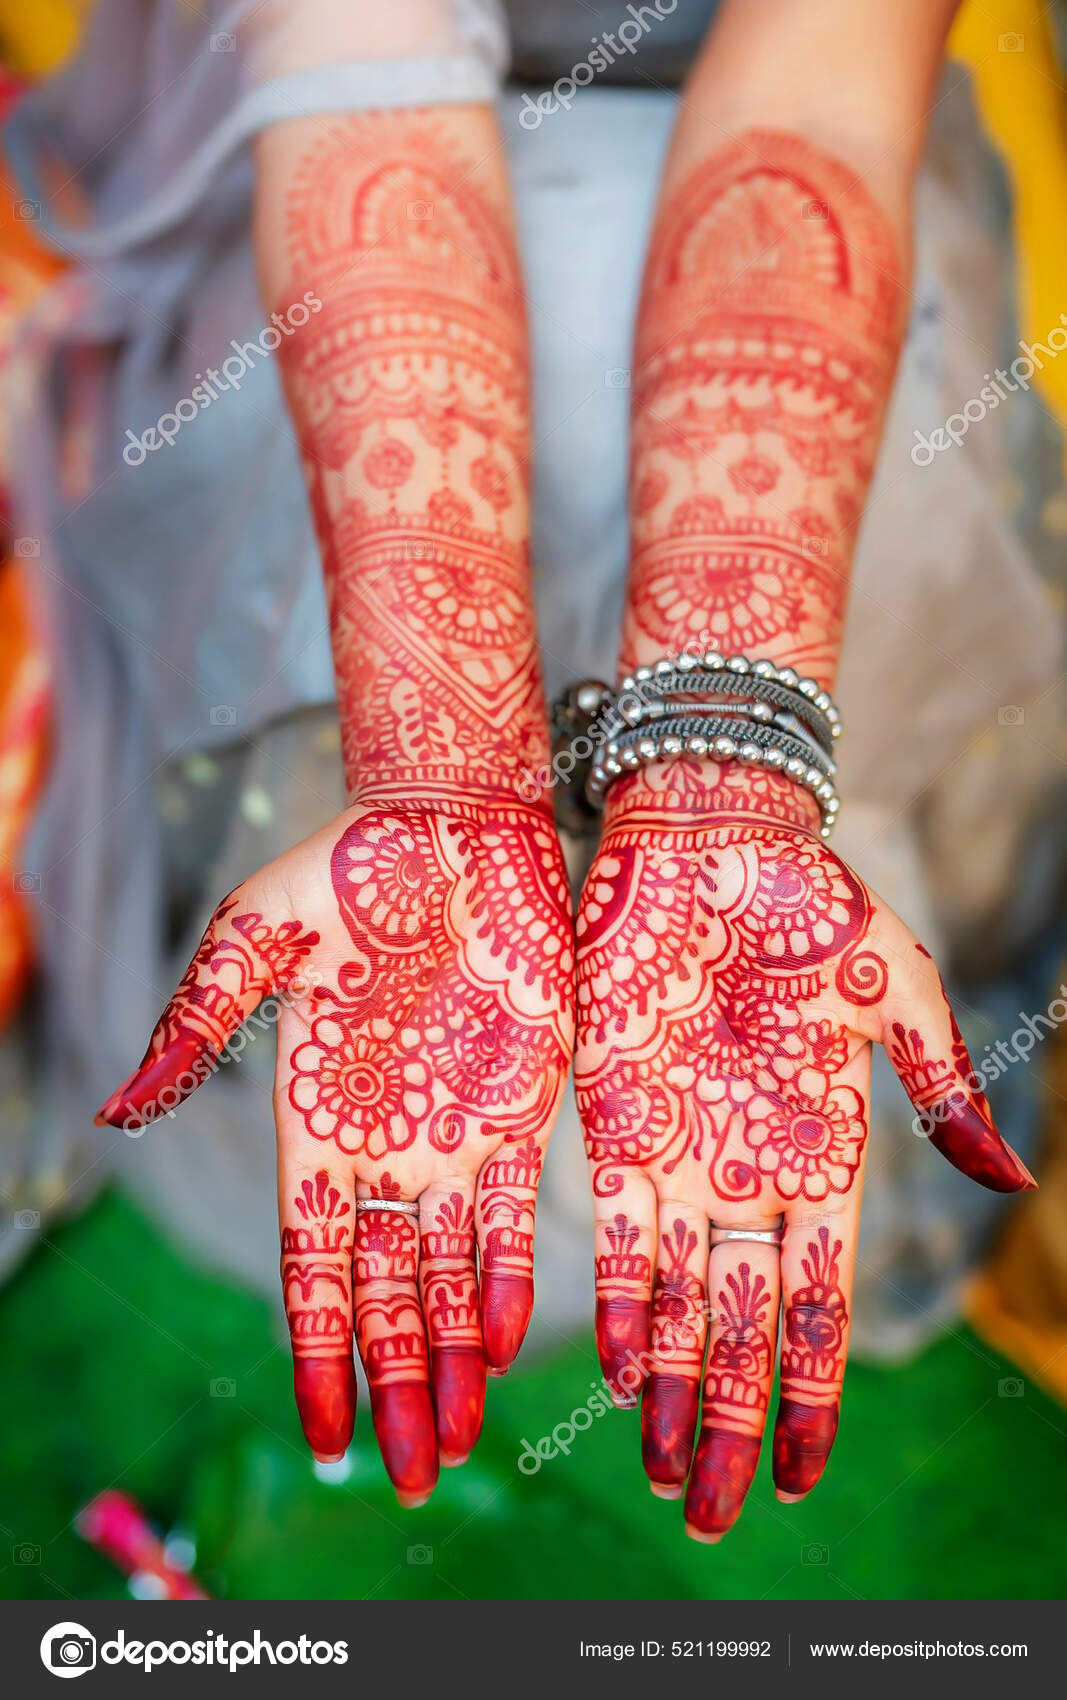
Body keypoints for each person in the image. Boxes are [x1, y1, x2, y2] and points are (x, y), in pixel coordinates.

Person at [40, 0, 1040, 1543]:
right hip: (324, 154)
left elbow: (820, 107)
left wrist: (725, 786)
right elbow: (360, 80)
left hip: (817, 220)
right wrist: (443, 775)